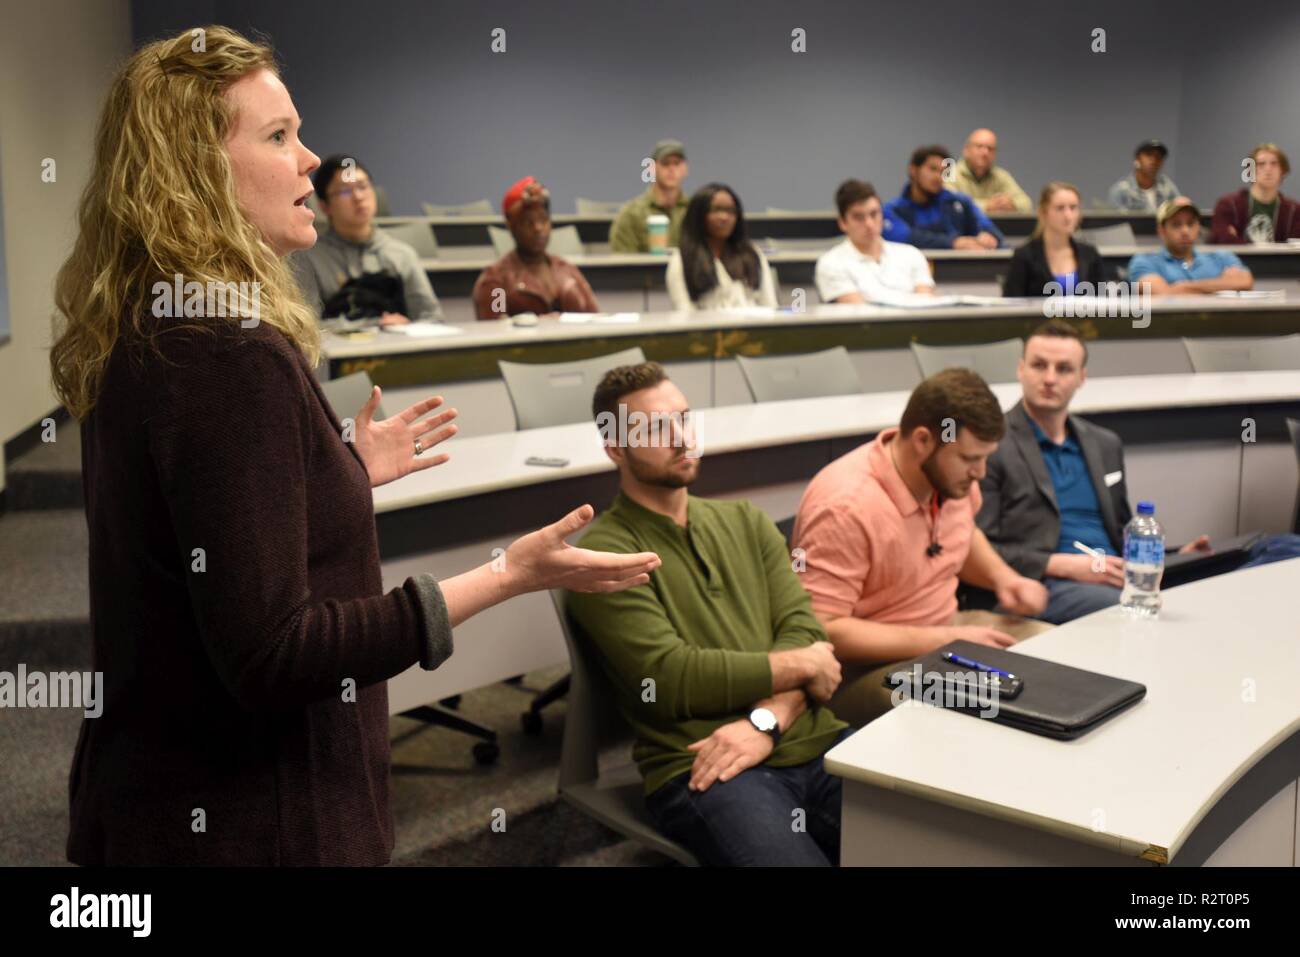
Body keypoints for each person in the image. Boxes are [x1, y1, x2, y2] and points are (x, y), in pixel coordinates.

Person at [47, 27, 660, 866]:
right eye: (277, 137)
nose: (313, 161)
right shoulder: (229, 353)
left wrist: (331, 471)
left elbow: (201, 532)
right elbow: (274, 652)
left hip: (162, 798)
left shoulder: (154, 323)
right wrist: (507, 575)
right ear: (193, 172)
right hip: (256, 820)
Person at [565, 362, 851, 866]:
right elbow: (671, 676)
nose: (681, 438)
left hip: (805, 734)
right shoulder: (603, 559)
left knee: (942, 841)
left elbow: (803, 629)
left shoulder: (747, 520)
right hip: (705, 765)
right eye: (655, 428)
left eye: (684, 418)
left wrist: (768, 720)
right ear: (614, 448)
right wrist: (803, 665)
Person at [979, 319, 1300, 623]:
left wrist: (1174, 555)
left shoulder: (1103, 443)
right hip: (1054, 582)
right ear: (1021, 369)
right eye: (1039, 365)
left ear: (1081, 377)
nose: (1050, 378)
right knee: (1140, 609)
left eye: (1063, 369)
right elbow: (976, 547)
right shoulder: (993, 445)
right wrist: (1063, 565)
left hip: (1122, 571)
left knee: (1285, 547)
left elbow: (1121, 530)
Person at [792, 369, 1049, 728]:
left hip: (946, 630)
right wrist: (948, 638)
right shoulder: (845, 507)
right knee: (982, 707)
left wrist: (1003, 578)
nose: (980, 472)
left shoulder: (951, 478)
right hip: (858, 670)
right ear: (923, 440)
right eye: (969, 458)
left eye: (985, 457)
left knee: (1055, 656)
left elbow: (962, 535)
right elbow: (824, 628)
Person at [292, 154, 442, 324]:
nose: (358, 197)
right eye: (345, 191)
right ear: (324, 206)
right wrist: (373, 324)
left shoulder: (402, 254)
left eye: (363, 186)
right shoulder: (309, 258)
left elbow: (432, 317)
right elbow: (309, 327)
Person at [471, 176, 600, 319]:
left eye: (543, 220)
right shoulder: (496, 281)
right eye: (528, 222)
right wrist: (541, 325)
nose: (538, 228)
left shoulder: (568, 271)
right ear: (512, 227)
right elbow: (496, 327)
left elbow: (596, 319)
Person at [815, 179, 934, 304]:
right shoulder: (831, 263)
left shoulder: (912, 255)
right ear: (843, 223)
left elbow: (926, 307)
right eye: (859, 217)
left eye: (874, 214)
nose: (869, 224)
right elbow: (859, 316)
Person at [665, 183, 776, 311]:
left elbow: (770, 306)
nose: (724, 217)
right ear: (699, 215)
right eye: (716, 210)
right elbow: (684, 314)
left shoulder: (752, 255)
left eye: (730, 211)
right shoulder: (681, 261)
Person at [882, 145, 1004, 249]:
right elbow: (905, 237)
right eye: (932, 169)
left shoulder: (959, 202)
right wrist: (953, 243)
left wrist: (990, 236)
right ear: (913, 170)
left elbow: (989, 228)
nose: (938, 177)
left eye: (943, 171)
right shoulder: (893, 209)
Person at [1127, 196, 1254, 295]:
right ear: (1162, 231)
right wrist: (1222, 284)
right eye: (1176, 224)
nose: (1185, 231)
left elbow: (1245, 281)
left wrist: (1183, 287)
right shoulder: (1144, 261)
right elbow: (1164, 294)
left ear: (1198, 227)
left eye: (1190, 223)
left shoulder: (1221, 257)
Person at [1002, 182, 1111, 297]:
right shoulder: (1024, 256)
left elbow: (1103, 303)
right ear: (1043, 213)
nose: (1068, 216)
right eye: (1060, 208)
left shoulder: (1089, 254)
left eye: (1073, 208)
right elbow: (1010, 304)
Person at [609, 139, 690, 253]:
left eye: (676, 163)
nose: (671, 169)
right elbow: (623, 261)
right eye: (665, 163)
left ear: (685, 169)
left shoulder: (694, 211)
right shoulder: (631, 214)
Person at [1211, 143, 1300, 244]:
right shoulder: (1228, 205)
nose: (1268, 169)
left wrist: (1237, 240)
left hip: (1281, 261)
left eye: (1274, 164)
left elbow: (1295, 248)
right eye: (1261, 164)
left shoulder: (1294, 211)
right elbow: (1222, 240)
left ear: (1283, 171)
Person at [948, 128, 1032, 213]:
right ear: (966, 150)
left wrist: (1012, 204)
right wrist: (987, 205)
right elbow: (948, 202)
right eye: (979, 146)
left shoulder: (1001, 175)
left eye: (990, 148)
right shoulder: (950, 172)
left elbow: (1026, 203)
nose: (985, 152)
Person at [1108, 139, 1181, 212]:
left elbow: (1180, 212)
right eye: (1149, 155)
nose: (1153, 160)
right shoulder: (1121, 190)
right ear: (1138, 159)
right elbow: (1117, 221)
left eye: (1158, 157)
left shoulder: (1167, 187)